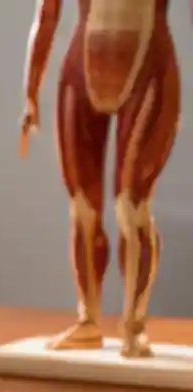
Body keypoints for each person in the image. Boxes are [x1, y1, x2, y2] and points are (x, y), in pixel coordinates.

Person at [21, 0, 180, 358]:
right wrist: (30, 92)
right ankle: (88, 319)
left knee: (131, 207)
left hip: (147, 67)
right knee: (83, 208)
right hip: (82, 70)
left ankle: (133, 326)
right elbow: (46, 15)